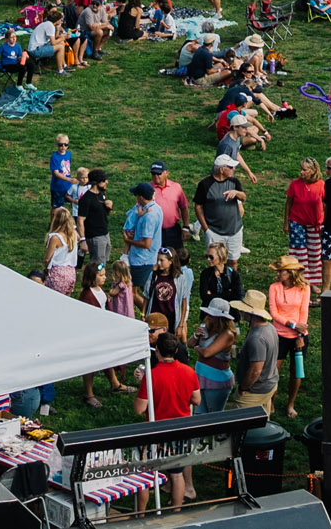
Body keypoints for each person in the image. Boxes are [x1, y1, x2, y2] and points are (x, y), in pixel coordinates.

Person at [135, 336, 198, 507]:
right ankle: (176, 514)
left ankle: (140, 515)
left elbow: (139, 408)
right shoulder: (189, 372)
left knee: (146, 473)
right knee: (177, 474)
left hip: (156, 431)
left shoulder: (152, 376)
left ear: (157, 351)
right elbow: (197, 400)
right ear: (176, 351)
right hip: (181, 428)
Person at [268, 255, 313, 418]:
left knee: (296, 371)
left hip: (297, 335)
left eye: (283, 271)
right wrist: (292, 325)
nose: (279, 274)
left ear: (291, 273)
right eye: (279, 271)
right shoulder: (274, 287)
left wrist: (299, 334)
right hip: (279, 334)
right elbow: (274, 313)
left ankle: (291, 403)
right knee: (273, 371)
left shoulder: (304, 288)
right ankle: (271, 401)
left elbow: (304, 313)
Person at [229, 290, 281, 414]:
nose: (241, 311)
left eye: (243, 309)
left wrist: (243, 387)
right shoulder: (270, 328)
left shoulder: (257, 338)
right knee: (262, 425)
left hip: (255, 391)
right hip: (270, 384)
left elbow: (255, 371)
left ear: (251, 313)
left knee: (242, 427)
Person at [195, 153, 250, 261]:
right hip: (214, 232)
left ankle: (230, 278)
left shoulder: (234, 182)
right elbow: (198, 206)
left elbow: (244, 197)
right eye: (230, 167)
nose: (233, 169)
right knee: (214, 262)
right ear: (221, 169)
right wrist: (206, 229)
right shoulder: (205, 184)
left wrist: (237, 193)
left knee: (233, 261)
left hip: (235, 231)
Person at [284, 157, 326, 285]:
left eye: (304, 170)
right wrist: (286, 222)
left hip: (315, 223)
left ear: (313, 170)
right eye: (301, 169)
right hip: (297, 221)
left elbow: (325, 204)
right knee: (299, 252)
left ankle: (312, 282)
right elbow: (288, 204)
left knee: (314, 253)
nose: (301, 172)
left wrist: (323, 222)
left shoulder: (321, 185)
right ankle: (300, 279)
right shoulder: (295, 184)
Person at [193, 298, 238, 413]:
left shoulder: (227, 334)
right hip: (201, 377)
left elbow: (207, 353)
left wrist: (197, 348)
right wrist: (196, 336)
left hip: (216, 381)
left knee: (213, 416)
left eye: (212, 314)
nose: (208, 316)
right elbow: (189, 343)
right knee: (199, 415)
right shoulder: (205, 327)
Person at [123, 182, 165, 297]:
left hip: (141, 260)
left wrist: (128, 241)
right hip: (147, 258)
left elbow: (147, 244)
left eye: (136, 195)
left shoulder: (148, 217)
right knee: (145, 291)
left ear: (141, 197)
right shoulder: (156, 208)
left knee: (132, 293)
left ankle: (148, 314)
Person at [44, 207, 81, 294]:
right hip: (71, 272)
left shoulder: (55, 238)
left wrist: (45, 267)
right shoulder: (74, 235)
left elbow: (47, 258)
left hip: (58, 273)